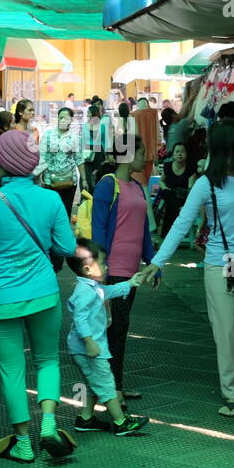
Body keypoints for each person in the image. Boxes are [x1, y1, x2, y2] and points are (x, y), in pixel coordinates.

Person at [140, 119, 234, 417]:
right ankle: (232, 391)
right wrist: (157, 261)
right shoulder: (205, 183)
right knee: (227, 330)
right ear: (228, 145)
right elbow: (181, 224)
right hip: (222, 264)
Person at [0, 130, 78, 463]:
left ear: (6, 161)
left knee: (12, 368)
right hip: (44, 292)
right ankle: (50, 425)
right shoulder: (51, 199)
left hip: (1, 297)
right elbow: (67, 248)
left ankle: (24, 443)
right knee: (48, 360)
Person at [92, 135, 156, 403]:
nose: (145, 157)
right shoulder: (108, 185)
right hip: (113, 269)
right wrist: (99, 266)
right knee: (116, 328)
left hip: (132, 270)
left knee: (118, 329)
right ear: (128, 155)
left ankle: (114, 386)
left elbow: (144, 231)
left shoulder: (138, 187)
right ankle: (112, 391)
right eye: (141, 152)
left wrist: (154, 263)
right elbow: (99, 228)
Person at [65, 240, 152, 436]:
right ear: (88, 268)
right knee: (106, 384)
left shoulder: (92, 286)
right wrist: (89, 342)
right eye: (103, 263)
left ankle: (85, 419)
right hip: (89, 348)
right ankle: (121, 422)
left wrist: (129, 283)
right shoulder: (85, 292)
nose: (106, 266)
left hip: (87, 348)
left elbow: (108, 292)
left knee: (95, 383)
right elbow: (80, 318)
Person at [35, 106, 85, 216]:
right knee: (51, 213)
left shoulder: (75, 137)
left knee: (66, 212)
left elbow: (79, 159)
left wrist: (84, 179)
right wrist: (38, 177)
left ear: (71, 120)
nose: (62, 120)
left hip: (69, 181)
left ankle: (64, 233)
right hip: (50, 181)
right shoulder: (48, 135)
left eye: (66, 118)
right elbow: (42, 157)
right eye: (60, 117)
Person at [155, 141, 195, 242]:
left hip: (183, 197)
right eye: (177, 151)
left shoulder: (190, 168)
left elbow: (190, 189)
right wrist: (164, 187)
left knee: (171, 204)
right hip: (168, 193)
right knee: (169, 195)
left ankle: (167, 234)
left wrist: (186, 204)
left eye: (182, 152)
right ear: (173, 154)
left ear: (187, 154)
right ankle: (174, 233)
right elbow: (161, 181)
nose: (179, 154)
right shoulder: (167, 166)